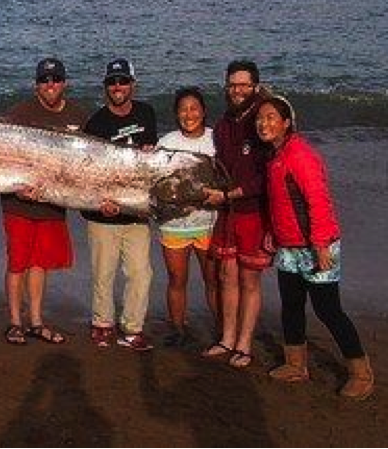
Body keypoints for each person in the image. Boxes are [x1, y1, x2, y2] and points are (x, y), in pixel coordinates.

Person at [257, 96, 372, 399]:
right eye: (260, 118)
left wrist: (320, 245)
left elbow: (319, 202)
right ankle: (296, 364)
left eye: (271, 118)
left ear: (286, 123)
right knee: (291, 306)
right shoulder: (275, 156)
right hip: (289, 248)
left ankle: (361, 372)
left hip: (316, 245)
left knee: (328, 310)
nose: (263, 123)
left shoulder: (300, 155)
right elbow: (278, 202)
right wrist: (271, 232)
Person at [1, 57, 88, 346]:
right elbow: (0, 155)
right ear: (36, 84)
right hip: (19, 203)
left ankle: (36, 321)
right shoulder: (19, 113)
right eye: (44, 80)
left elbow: (89, 161)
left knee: (40, 264)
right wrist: (16, 188)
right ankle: (15, 322)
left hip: (53, 204)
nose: (50, 85)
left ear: (65, 83)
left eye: (55, 79)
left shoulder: (79, 115)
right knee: (17, 264)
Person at [198, 60, 272, 369]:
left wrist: (229, 194)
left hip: (253, 211)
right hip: (227, 212)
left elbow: (264, 176)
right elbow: (221, 168)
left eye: (243, 84)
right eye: (232, 85)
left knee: (249, 279)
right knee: (226, 275)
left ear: (255, 85)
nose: (237, 90)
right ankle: (226, 338)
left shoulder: (264, 119)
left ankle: (244, 344)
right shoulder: (225, 123)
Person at [82, 58, 158, 351]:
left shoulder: (146, 112)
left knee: (141, 273)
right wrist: (100, 203)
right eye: (112, 82)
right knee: (104, 273)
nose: (118, 87)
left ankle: (132, 328)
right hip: (103, 212)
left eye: (123, 81)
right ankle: (102, 323)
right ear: (105, 88)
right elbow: (86, 170)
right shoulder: (96, 122)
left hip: (136, 212)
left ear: (132, 85)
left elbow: (148, 161)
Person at [155, 87, 219, 348]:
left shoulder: (217, 140)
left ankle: (223, 330)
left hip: (209, 224)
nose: (188, 114)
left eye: (194, 108)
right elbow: (155, 182)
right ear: (176, 114)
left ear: (203, 112)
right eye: (183, 109)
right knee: (176, 280)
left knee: (213, 280)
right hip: (174, 224)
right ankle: (178, 328)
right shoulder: (166, 142)